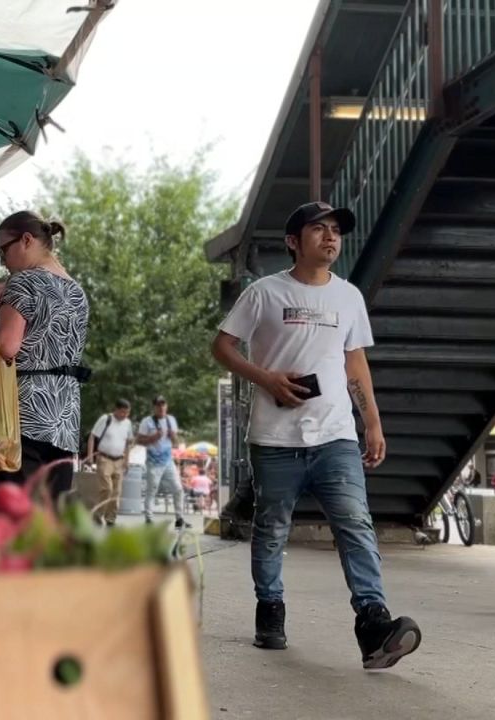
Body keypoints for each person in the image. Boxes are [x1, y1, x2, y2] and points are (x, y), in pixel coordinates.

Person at [211, 200, 421, 669]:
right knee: (271, 529)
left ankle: (373, 623)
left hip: (335, 435)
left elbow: (354, 362)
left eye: (336, 231)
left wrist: (372, 422)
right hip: (275, 438)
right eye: (318, 230)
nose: (330, 238)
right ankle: (270, 609)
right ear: (293, 242)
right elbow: (222, 347)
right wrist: (263, 377)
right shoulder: (264, 293)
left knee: (355, 524)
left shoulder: (348, 297)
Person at [0, 211, 89, 499]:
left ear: (26, 240)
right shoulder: (76, 291)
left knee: (15, 513)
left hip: (22, 414)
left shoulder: (23, 281)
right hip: (65, 417)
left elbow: (7, 346)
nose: (2, 260)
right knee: (50, 517)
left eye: (4, 249)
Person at [137, 397, 184, 527]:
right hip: (153, 462)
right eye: (158, 406)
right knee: (152, 490)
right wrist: (153, 437)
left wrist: (173, 436)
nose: (161, 408)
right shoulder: (147, 422)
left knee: (178, 488)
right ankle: (149, 519)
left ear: (166, 406)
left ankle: (179, 518)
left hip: (168, 461)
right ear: (154, 407)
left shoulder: (171, 420)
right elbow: (139, 440)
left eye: (163, 405)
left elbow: (176, 442)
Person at [86, 399, 134, 526]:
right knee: (107, 488)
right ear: (116, 409)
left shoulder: (128, 423)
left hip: (119, 460)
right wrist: (90, 456)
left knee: (116, 492)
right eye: (122, 412)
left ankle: (111, 518)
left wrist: (127, 460)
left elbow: (128, 443)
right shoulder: (105, 419)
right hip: (104, 459)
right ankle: (97, 515)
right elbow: (92, 436)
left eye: (127, 413)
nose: (125, 415)